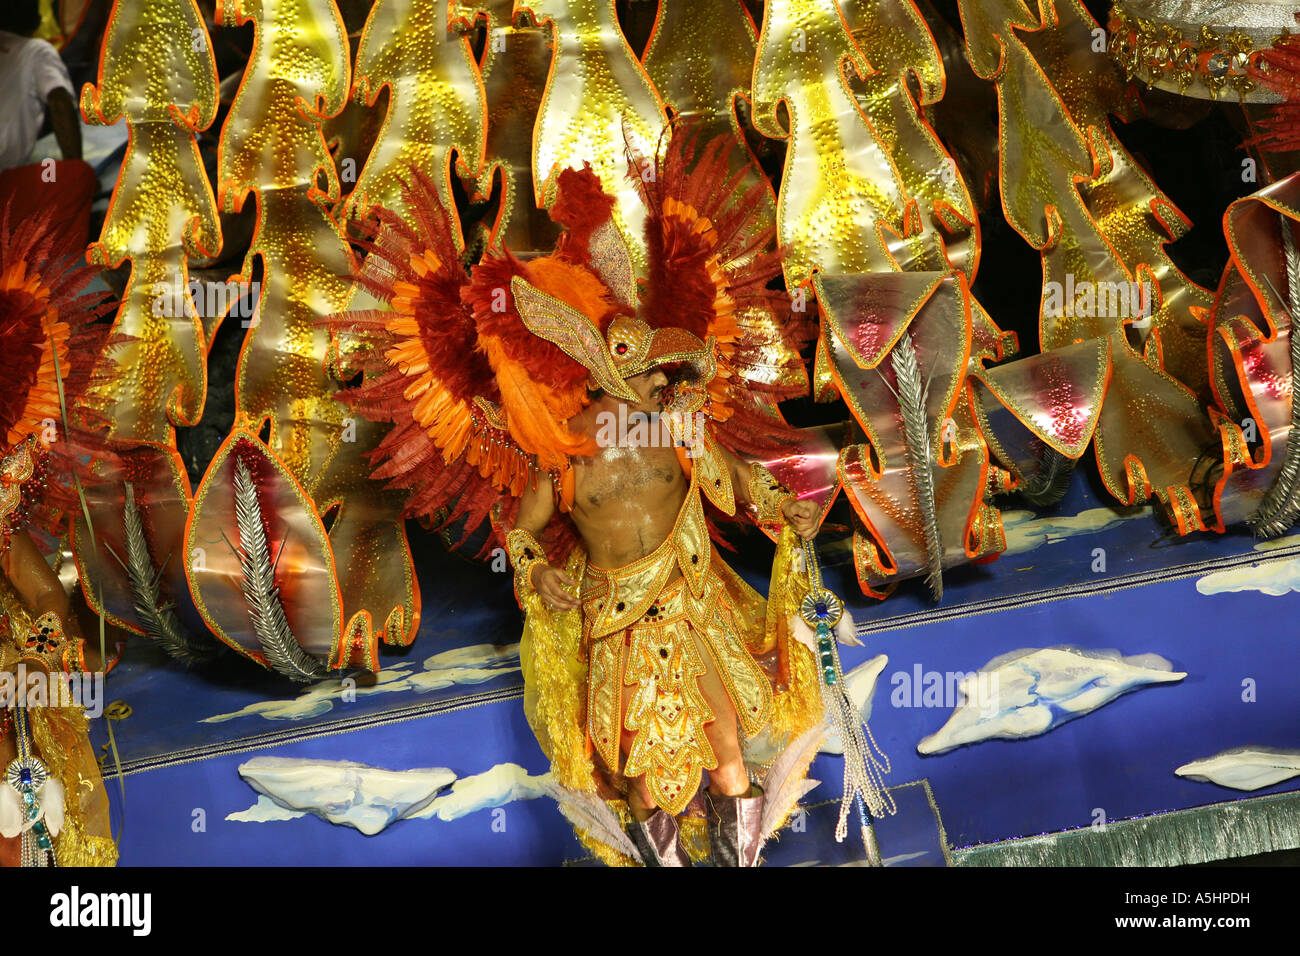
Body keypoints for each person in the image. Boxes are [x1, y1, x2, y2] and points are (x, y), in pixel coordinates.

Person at [330, 128, 830, 865]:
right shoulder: (560, 454)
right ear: (607, 372)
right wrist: (536, 572)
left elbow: (739, 485)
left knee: (725, 739)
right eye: (656, 372)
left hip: (692, 605)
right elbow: (522, 529)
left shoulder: (681, 428)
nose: (668, 381)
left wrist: (779, 507)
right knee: (635, 769)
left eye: (668, 372)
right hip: (614, 615)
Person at [0, 0, 92, 258]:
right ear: (37, 23)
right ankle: (55, 272)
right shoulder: (36, 50)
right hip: (6, 185)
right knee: (76, 176)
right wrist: (74, 166)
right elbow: (60, 101)